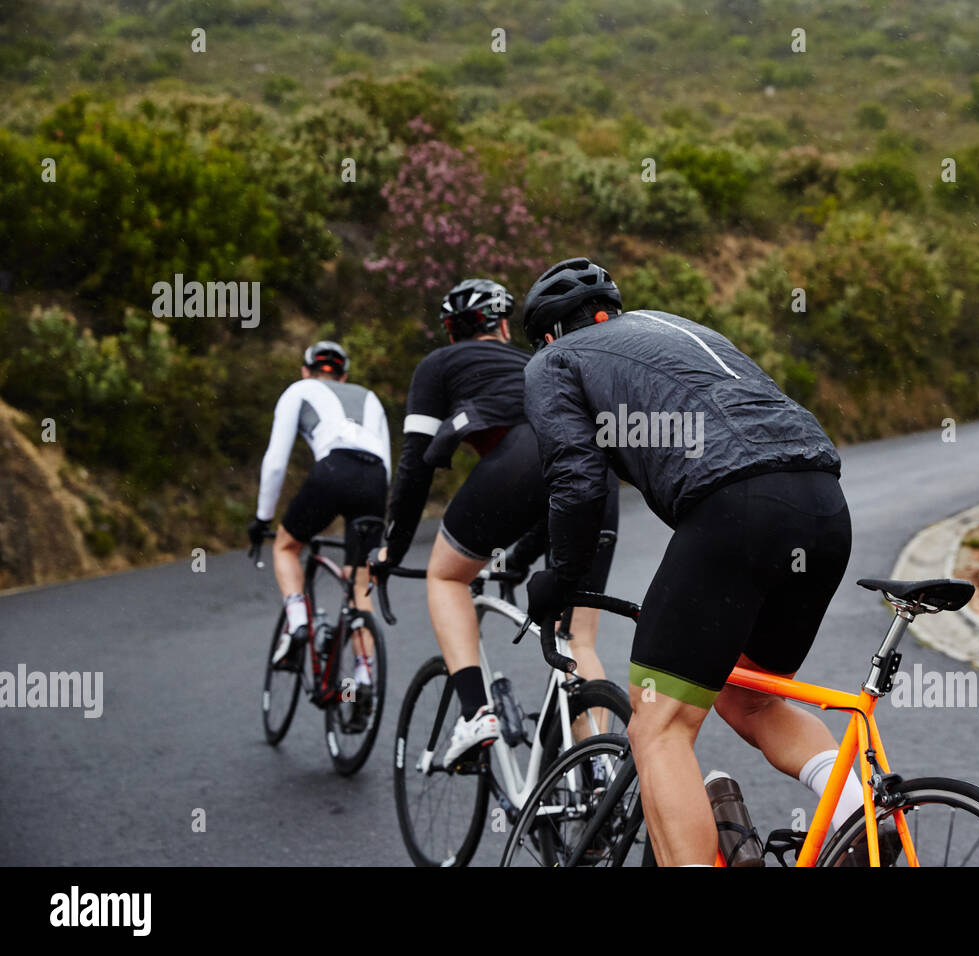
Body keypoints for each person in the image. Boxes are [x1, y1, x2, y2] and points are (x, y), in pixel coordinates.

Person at [521, 257, 860, 867]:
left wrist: (558, 583)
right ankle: (857, 816)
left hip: (735, 509)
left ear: (548, 333)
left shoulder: (554, 360)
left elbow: (575, 483)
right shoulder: (679, 328)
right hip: (823, 503)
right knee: (748, 698)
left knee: (657, 727)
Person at [373, 278, 618, 769]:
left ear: (450, 332)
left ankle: (475, 714)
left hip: (525, 459)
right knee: (578, 641)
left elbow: (415, 466)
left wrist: (392, 550)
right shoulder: (532, 363)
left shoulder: (438, 365)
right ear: (503, 326)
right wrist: (520, 559)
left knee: (446, 576)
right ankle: (598, 778)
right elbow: (555, 494)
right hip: (597, 474)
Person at [247, 341, 391, 722]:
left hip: (334, 469)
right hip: (375, 479)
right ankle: (362, 677)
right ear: (343, 375)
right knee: (359, 580)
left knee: (286, 546)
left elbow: (276, 460)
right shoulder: (369, 397)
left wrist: (262, 518)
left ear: (306, 371)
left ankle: (298, 623)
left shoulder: (299, 390)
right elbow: (388, 464)